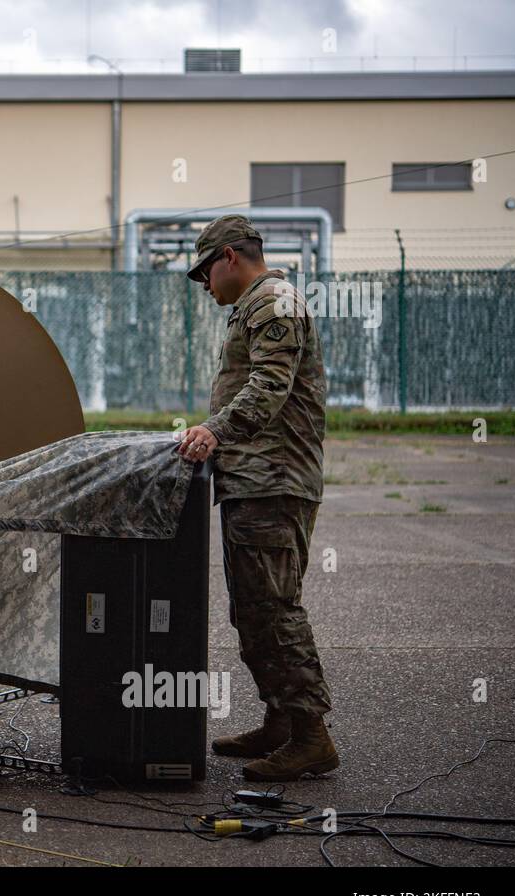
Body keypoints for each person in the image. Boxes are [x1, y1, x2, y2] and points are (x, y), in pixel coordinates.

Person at [177, 214, 338, 782]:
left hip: (274, 480)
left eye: (204, 273)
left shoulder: (274, 304)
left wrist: (216, 429)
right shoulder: (254, 307)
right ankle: (282, 722)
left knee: (275, 608)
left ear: (228, 256)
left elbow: (270, 385)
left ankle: (312, 736)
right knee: (252, 610)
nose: (203, 286)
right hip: (253, 480)